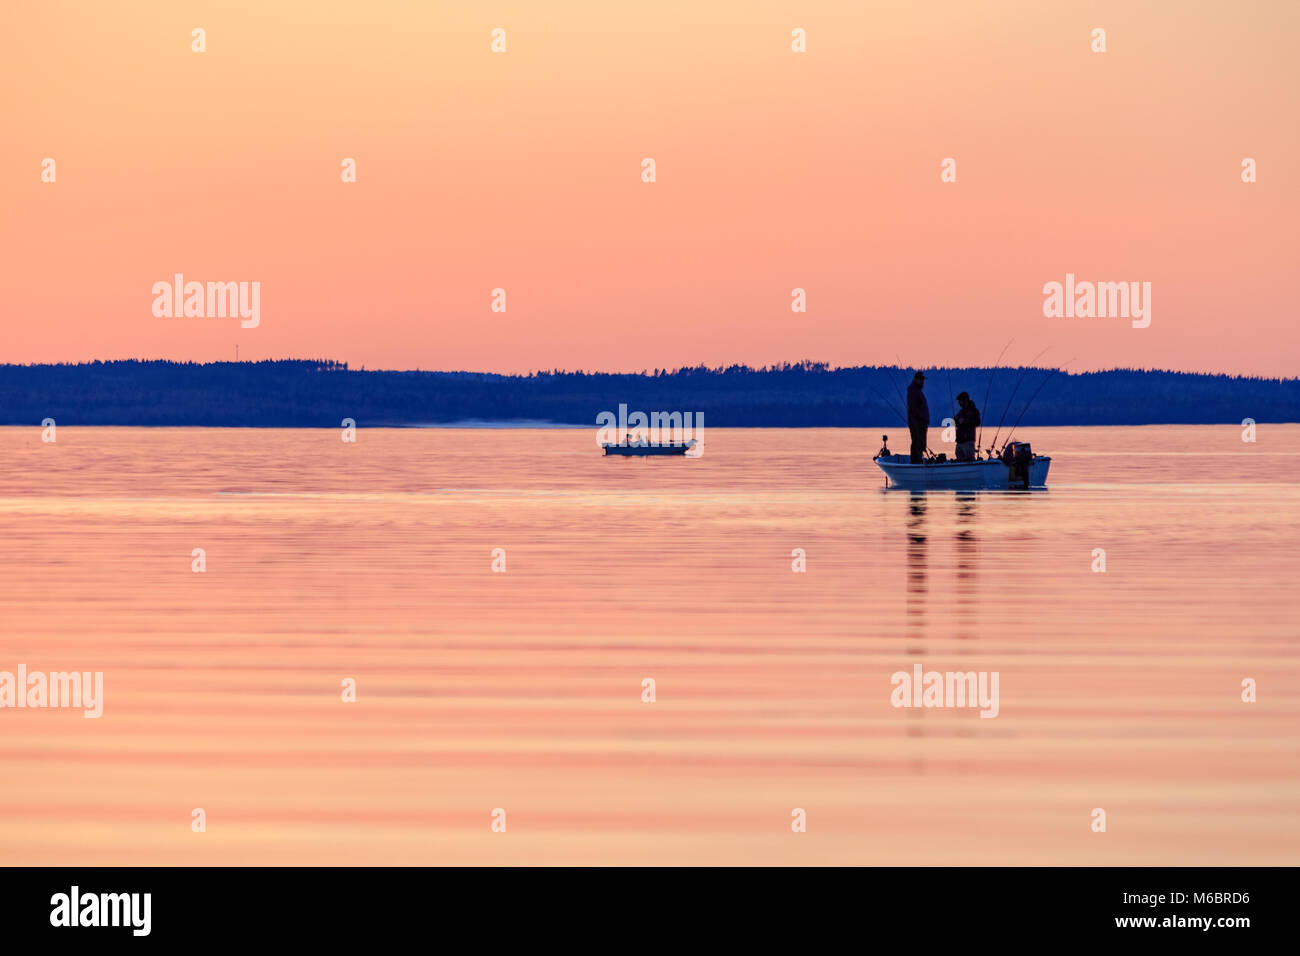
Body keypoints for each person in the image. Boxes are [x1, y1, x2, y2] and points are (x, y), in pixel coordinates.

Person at [906, 371, 929, 463]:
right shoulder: (913, 391)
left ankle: (918, 460)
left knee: (920, 442)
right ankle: (916, 462)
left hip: (920, 422)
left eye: (923, 380)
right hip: (917, 423)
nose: (922, 382)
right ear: (915, 379)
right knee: (917, 441)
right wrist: (921, 418)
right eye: (921, 379)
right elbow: (913, 408)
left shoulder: (917, 391)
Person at [953, 391, 980, 461]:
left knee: (969, 460)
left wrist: (964, 421)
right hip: (960, 441)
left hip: (968, 440)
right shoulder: (961, 412)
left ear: (965, 400)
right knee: (959, 459)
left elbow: (977, 422)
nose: (959, 403)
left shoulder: (973, 411)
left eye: (960, 401)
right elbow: (954, 421)